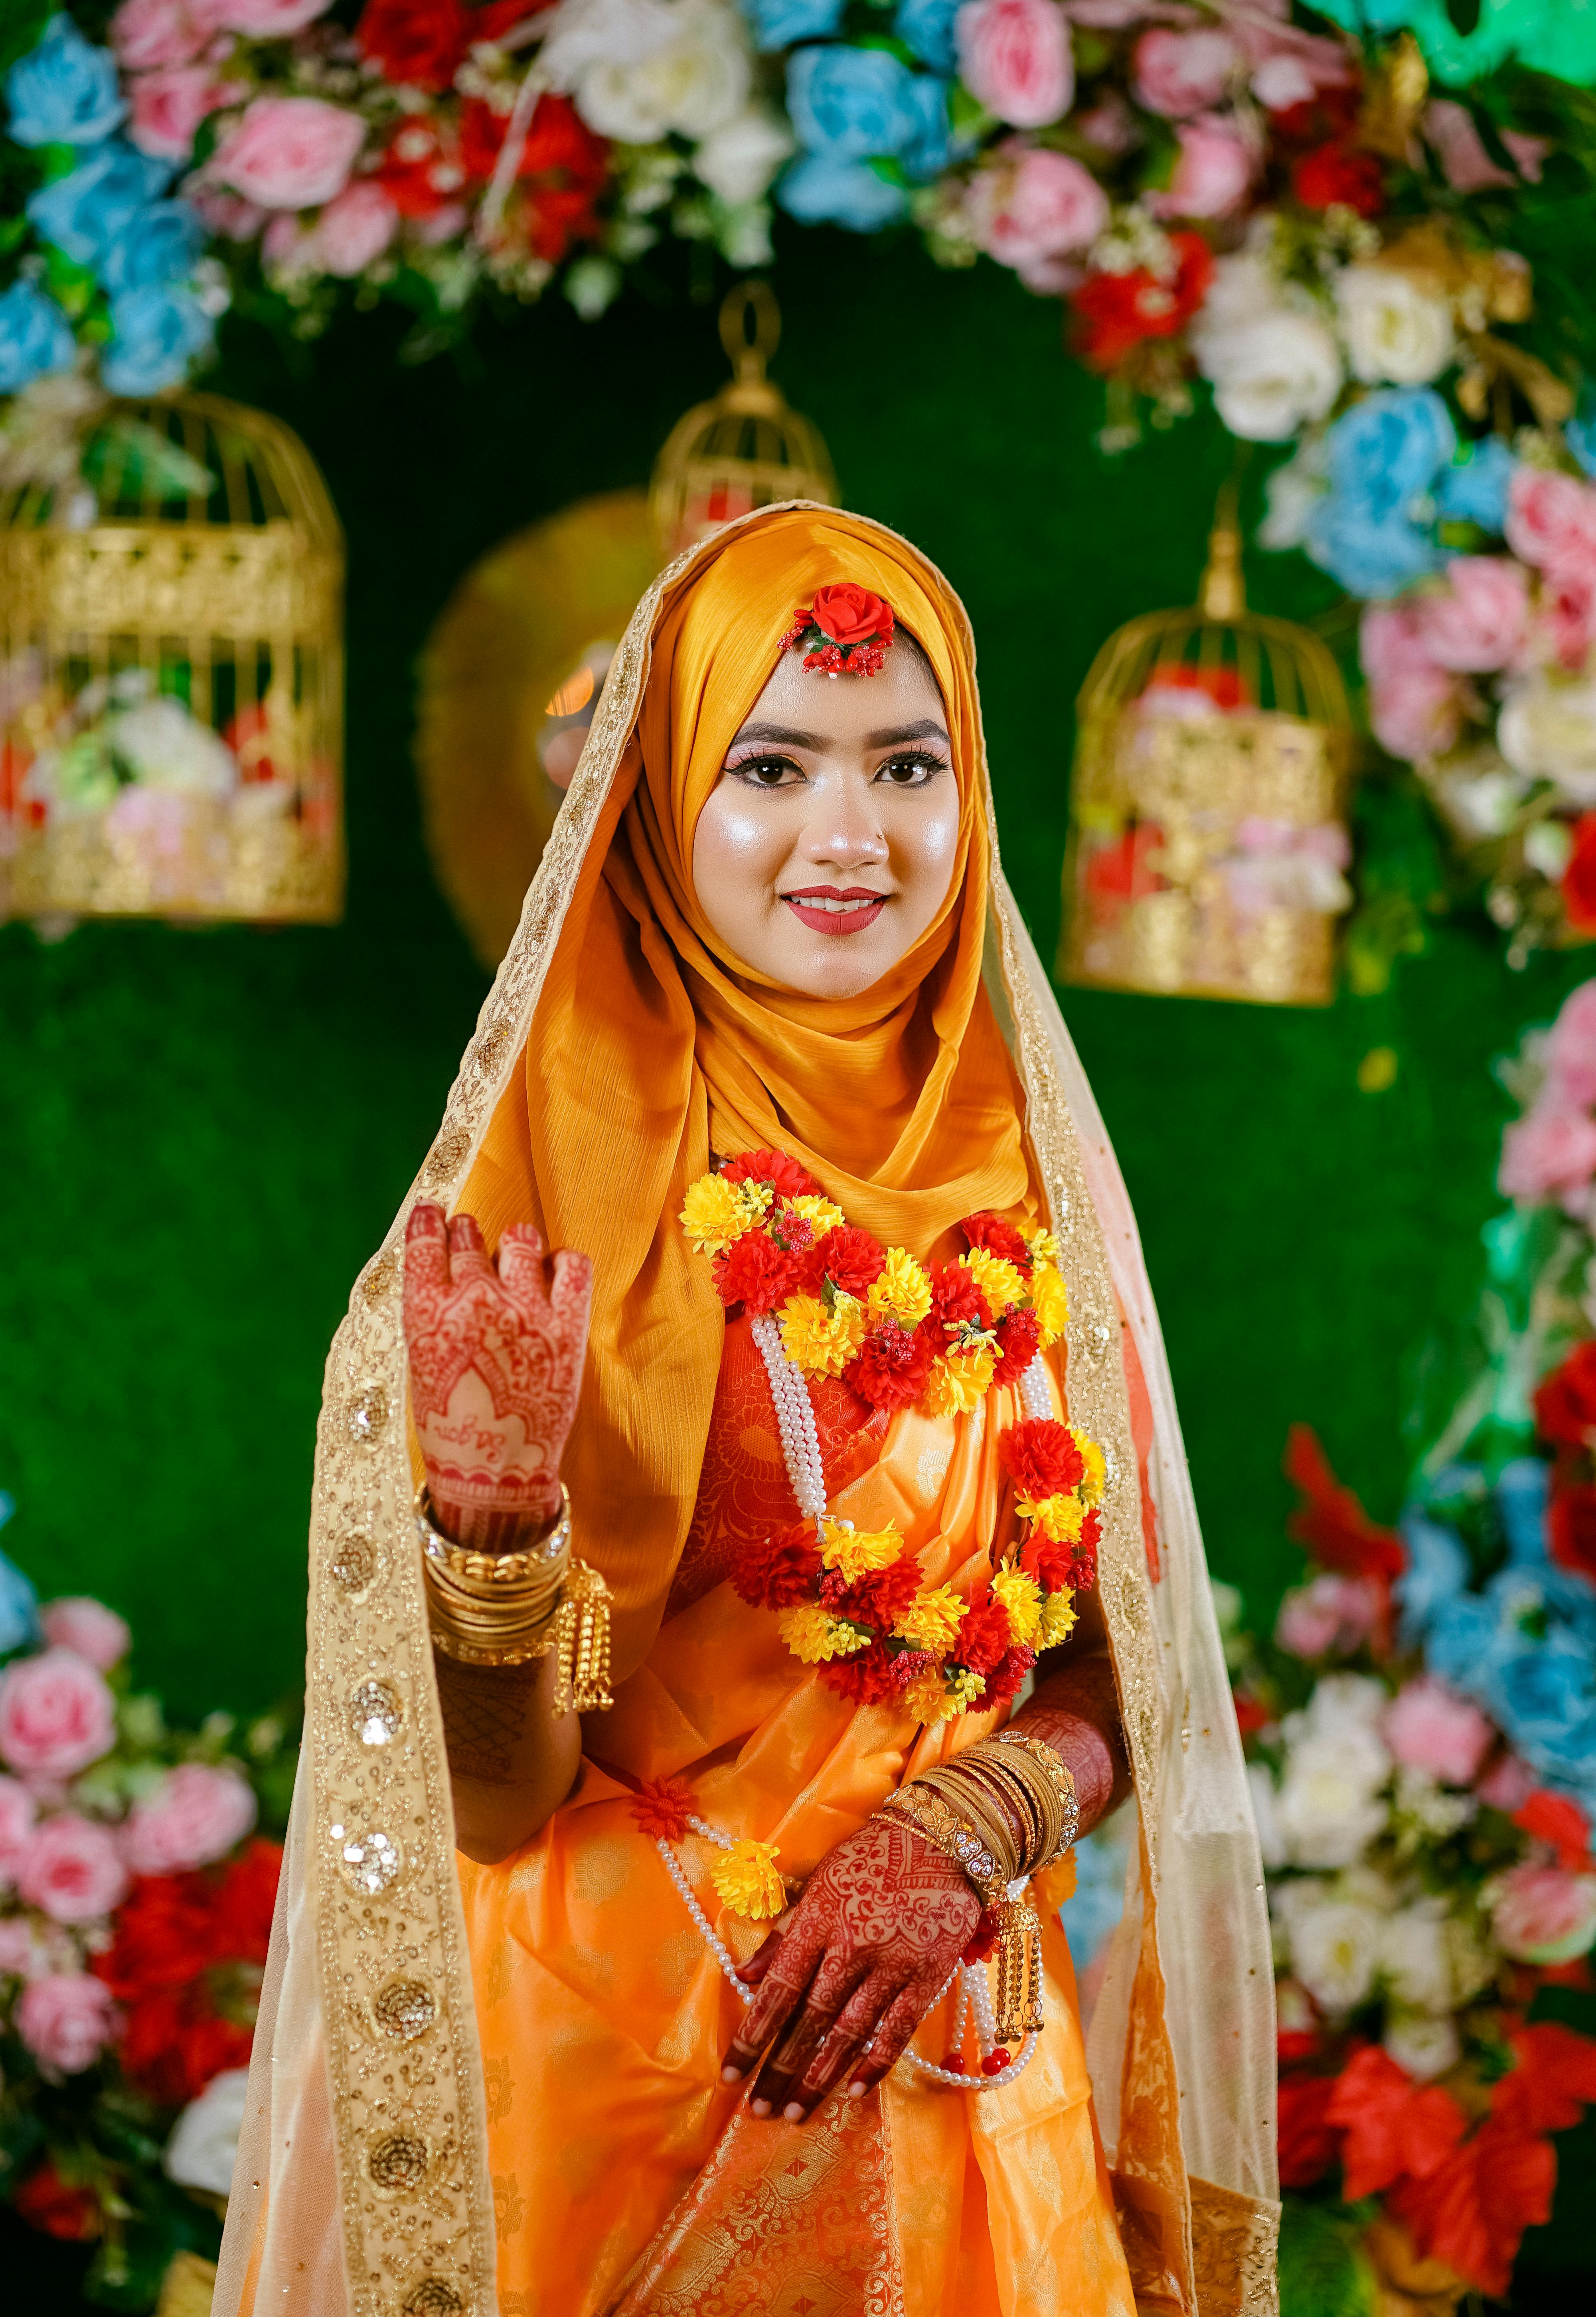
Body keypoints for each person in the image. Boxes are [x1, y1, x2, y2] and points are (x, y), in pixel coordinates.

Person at [216, 508, 1277, 2317]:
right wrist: (486, 1534)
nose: (849, 835)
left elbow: (1131, 1670)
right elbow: (485, 1810)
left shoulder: (1038, 1189)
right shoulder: (531, 1192)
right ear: (657, 798)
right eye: (767, 766)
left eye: (906, 765)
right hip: (609, 2084)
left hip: (955, 2071)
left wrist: (965, 1829)